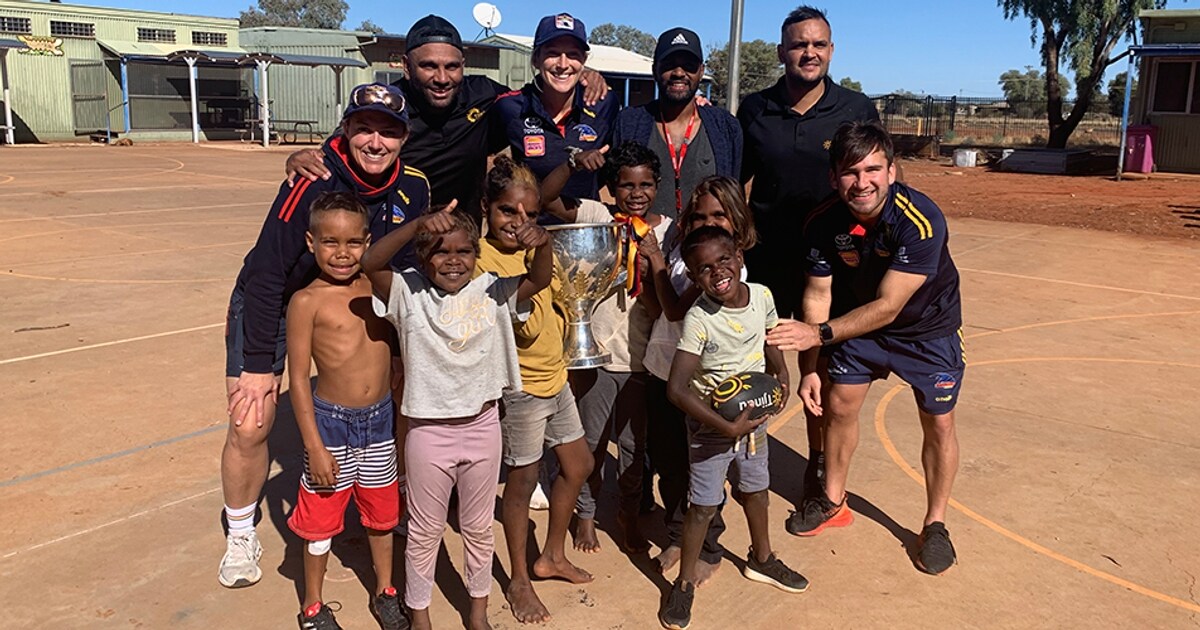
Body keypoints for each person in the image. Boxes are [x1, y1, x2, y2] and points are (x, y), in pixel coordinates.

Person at [219, 82, 429, 589]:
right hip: (281, 300)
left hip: (358, 306)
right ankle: (241, 531)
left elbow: (402, 270)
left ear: (403, 138)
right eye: (364, 130)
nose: (376, 142)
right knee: (251, 419)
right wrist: (254, 364)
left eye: (388, 132)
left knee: (391, 399)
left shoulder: (414, 186)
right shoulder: (312, 176)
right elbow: (269, 270)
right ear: (347, 129)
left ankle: (378, 504)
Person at [767, 121, 964, 576]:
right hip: (860, 328)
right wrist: (810, 369)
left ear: (892, 172)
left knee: (939, 422)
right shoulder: (822, 221)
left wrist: (817, 336)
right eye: (851, 172)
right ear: (835, 178)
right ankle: (834, 501)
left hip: (927, 332)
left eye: (873, 169)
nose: (863, 182)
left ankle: (935, 524)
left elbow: (891, 306)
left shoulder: (921, 219)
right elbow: (817, 296)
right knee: (837, 403)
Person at [362, 202, 551, 630]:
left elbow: (540, 278)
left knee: (479, 528)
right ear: (421, 256)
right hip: (428, 434)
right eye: (440, 251)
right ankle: (421, 615)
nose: (453, 261)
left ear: (477, 254)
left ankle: (478, 613)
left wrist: (543, 243)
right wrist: (416, 225)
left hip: (483, 427)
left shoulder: (493, 290)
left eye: (464, 251)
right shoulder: (406, 292)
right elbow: (370, 261)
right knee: (425, 532)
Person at [737, 4, 881, 502]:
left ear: (831, 50)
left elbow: (877, 183)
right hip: (767, 261)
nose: (809, 53)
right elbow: (737, 187)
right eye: (799, 44)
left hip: (833, 265)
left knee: (820, 369)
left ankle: (818, 466)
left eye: (818, 44)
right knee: (755, 363)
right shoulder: (754, 109)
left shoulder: (856, 108)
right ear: (782, 52)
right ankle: (745, 458)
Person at [286, 15, 610, 224]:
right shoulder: (386, 109)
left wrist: (586, 75)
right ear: (406, 66)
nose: (442, 78)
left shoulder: (487, 96)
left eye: (452, 67)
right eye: (428, 66)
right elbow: (336, 151)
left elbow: (535, 96)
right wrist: (300, 155)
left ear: (463, 65)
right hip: (393, 237)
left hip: (460, 243)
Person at [660, 225, 808, 630]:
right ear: (692, 277)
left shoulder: (761, 296)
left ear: (739, 257)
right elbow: (676, 389)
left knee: (757, 489)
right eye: (704, 269)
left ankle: (762, 558)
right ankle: (685, 582)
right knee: (704, 505)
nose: (717, 272)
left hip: (753, 420)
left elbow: (770, 338)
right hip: (713, 426)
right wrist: (723, 428)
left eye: (723, 260)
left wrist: (781, 376)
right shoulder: (699, 319)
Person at [474, 157, 594, 624]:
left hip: (555, 376)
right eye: (507, 211)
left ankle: (552, 555)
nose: (518, 224)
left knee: (578, 464)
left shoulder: (539, 246)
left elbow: (559, 292)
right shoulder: (480, 261)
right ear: (486, 208)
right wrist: (541, 247)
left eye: (529, 214)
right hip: (520, 387)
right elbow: (534, 285)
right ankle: (519, 579)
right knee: (521, 485)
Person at [540, 141, 670, 555]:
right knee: (589, 443)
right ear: (610, 188)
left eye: (646, 184)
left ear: (658, 185)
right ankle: (586, 514)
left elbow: (665, 302)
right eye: (626, 185)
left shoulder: (668, 232)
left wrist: (653, 268)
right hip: (594, 356)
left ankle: (628, 516)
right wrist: (573, 162)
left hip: (641, 361)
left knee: (634, 448)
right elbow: (548, 200)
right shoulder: (598, 218)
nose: (637, 194)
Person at [283, 192, 404, 630]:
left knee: (381, 514)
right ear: (311, 242)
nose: (342, 253)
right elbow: (298, 378)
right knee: (320, 522)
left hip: (380, 422)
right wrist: (314, 445)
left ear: (368, 241)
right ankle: (313, 606)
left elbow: (391, 341)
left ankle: (386, 591)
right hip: (331, 425)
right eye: (330, 242)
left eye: (354, 242)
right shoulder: (305, 301)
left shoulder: (377, 286)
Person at [640, 176, 758, 584]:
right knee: (670, 462)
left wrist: (654, 260)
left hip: (702, 388)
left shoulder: (718, 269)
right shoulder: (686, 254)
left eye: (720, 215)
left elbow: (674, 311)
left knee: (705, 471)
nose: (709, 222)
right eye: (699, 215)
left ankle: (709, 545)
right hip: (662, 367)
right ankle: (678, 535)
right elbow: (663, 307)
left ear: (736, 222)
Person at [612, 27, 742, 219]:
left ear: (701, 71)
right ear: (655, 69)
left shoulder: (725, 127)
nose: (679, 73)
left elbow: (735, 192)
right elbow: (611, 186)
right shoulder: (629, 122)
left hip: (703, 245)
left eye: (689, 65)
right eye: (669, 65)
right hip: (641, 244)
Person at [494, 13, 618, 201]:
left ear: (583, 61)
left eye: (572, 55)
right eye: (552, 53)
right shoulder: (509, 107)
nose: (562, 64)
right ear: (536, 59)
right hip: (530, 227)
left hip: (585, 227)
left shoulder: (604, 104)